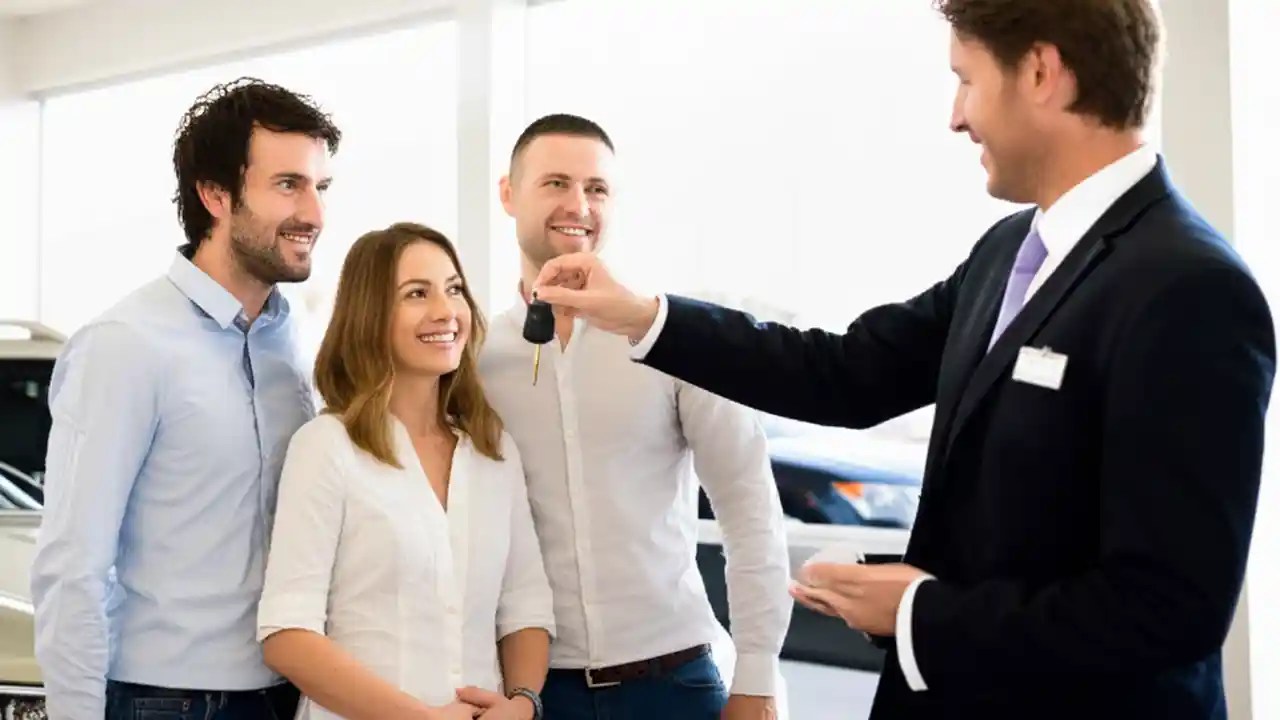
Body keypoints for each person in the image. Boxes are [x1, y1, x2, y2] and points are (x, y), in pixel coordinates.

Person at [527, 1, 1276, 718]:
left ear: (1043, 72)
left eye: (966, 79)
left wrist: (921, 611)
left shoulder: (1192, 289)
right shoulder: (1008, 251)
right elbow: (846, 371)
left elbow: (1168, 611)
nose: (956, 116)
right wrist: (644, 315)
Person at [31, 77, 341, 720]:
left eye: (320, 187)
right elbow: (72, 570)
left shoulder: (293, 343)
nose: (314, 213)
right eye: (288, 185)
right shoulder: (125, 345)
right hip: (167, 703)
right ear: (215, 194)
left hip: (292, 696)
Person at [478, 114, 792, 720]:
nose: (579, 204)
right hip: (532, 694)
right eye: (556, 184)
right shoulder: (476, 358)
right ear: (509, 194)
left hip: (675, 684)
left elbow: (750, 510)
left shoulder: (677, 341)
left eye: (597, 189)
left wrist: (756, 679)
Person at [256, 222, 555, 720]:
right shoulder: (327, 447)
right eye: (416, 293)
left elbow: (526, 606)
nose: (445, 311)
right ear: (371, 316)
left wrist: (523, 704)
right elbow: (287, 635)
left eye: (453, 289)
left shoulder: (492, 448)